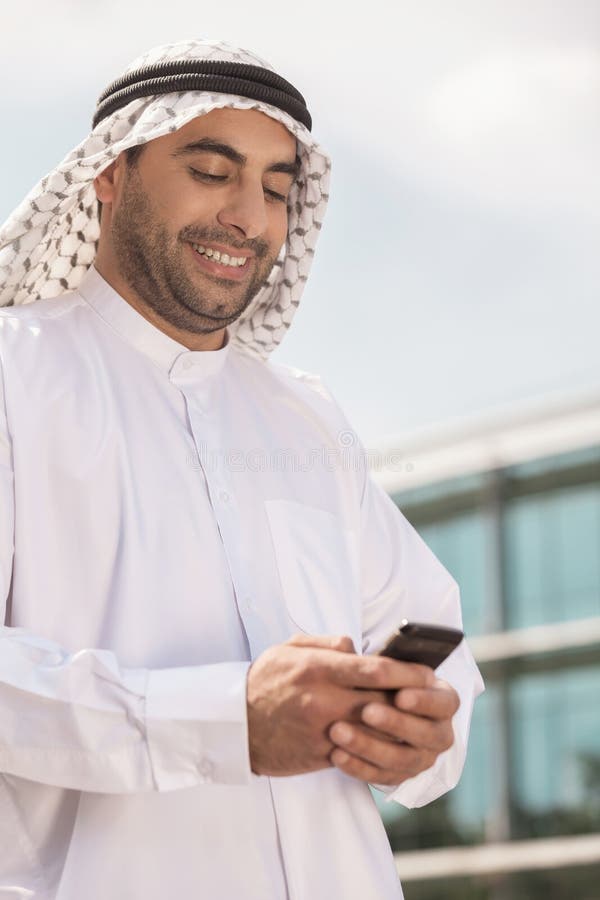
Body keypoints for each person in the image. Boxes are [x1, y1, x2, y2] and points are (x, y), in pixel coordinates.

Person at [0, 39, 484, 900]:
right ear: (111, 173)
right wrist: (225, 722)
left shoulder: (305, 418)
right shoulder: (13, 379)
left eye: (274, 188)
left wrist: (421, 731)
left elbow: (433, 636)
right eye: (213, 170)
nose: (249, 220)